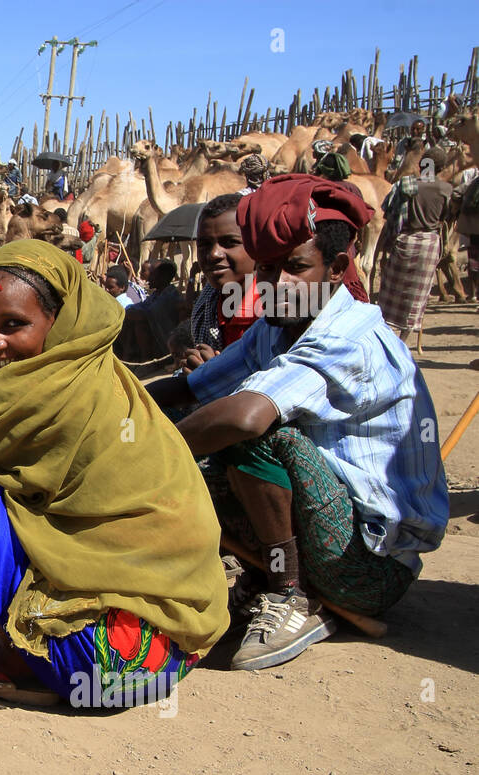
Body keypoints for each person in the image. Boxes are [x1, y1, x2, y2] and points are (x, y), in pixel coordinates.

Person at [0, 241, 228, 708]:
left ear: (59, 319)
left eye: (14, 325)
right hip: (178, 651)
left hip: (98, 668)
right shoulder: (101, 376)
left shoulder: (14, 402)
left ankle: (22, 657)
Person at [146, 174, 448, 671]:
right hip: (326, 526)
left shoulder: (350, 337)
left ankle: (290, 593)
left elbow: (245, 416)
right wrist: (117, 413)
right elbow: (189, 388)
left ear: (338, 268)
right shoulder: (277, 325)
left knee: (250, 433)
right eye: (267, 269)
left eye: (295, 268)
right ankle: (267, 577)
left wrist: (146, 454)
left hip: (371, 566)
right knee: (201, 422)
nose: (277, 284)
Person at [379, 148, 454, 342]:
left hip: (404, 242)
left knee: (391, 295)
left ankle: (386, 339)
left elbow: (390, 214)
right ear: (441, 167)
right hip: (428, 246)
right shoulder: (445, 189)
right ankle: (402, 343)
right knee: (416, 300)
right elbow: (444, 217)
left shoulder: (406, 185)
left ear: (422, 165)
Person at [181, 192, 260, 371]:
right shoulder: (208, 307)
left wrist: (215, 374)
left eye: (230, 242)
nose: (213, 254)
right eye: (204, 245)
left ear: (257, 244)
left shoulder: (274, 311)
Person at [118, 259, 181, 362]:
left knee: (140, 324)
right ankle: (129, 354)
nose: (149, 277)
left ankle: (145, 359)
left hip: (165, 342)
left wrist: (126, 313)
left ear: (163, 277)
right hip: (157, 340)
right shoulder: (156, 294)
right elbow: (140, 306)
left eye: (152, 274)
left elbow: (144, 315)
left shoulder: (169, 295)